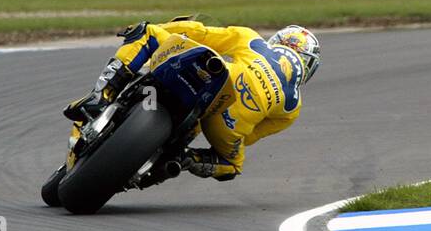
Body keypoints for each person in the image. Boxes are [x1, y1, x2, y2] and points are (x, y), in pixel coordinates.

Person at [64, 19, 320, 181]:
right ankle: (183, 159)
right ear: (308, 67)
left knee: (149, 32)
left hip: (217, 76)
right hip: (223, 120)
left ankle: (103, 94)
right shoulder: (292, 106)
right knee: (232, 165)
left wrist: (166, 27)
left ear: (277, 41)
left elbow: (197, 32)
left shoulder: (251, 39)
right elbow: (250, 137)